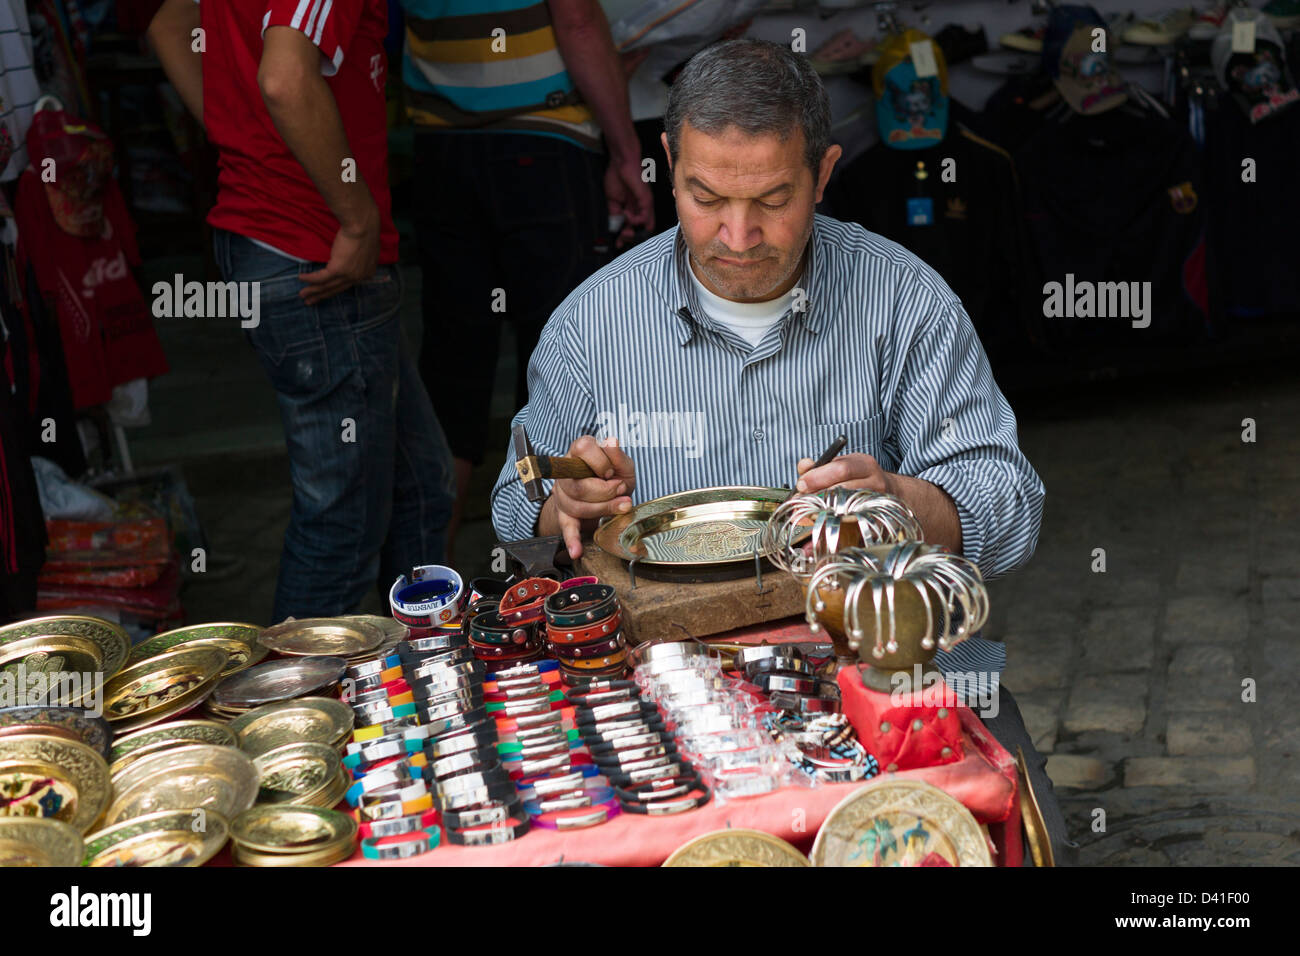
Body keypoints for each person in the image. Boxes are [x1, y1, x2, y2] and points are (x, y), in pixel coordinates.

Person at [491, 37, 1075, 864]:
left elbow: (1010, 503)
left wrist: (909, 504)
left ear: (825, 172)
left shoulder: (904, 300)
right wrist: (563, 502)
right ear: (667, 160)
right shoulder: (592, 326)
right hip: (672, 704)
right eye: (703, 197)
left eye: (773, 199)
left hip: (878, 679)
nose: (737, 234)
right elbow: (515, 511)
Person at [148, 0, 455, 622]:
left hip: (287, 241)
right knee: (341, 524)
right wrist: (357, 216)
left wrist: (238, 131)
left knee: (419, 488)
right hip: (312, 247)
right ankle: (299, 709)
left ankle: (425, 673)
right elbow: (284, 78)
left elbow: (169, 24)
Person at [400, 0, 653, 561]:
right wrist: (626, 149)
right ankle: (539, 584)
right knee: (554, 360)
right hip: (541, 144)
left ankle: (426, 591)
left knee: (452, 371)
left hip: (441, 143)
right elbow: (578, 18)